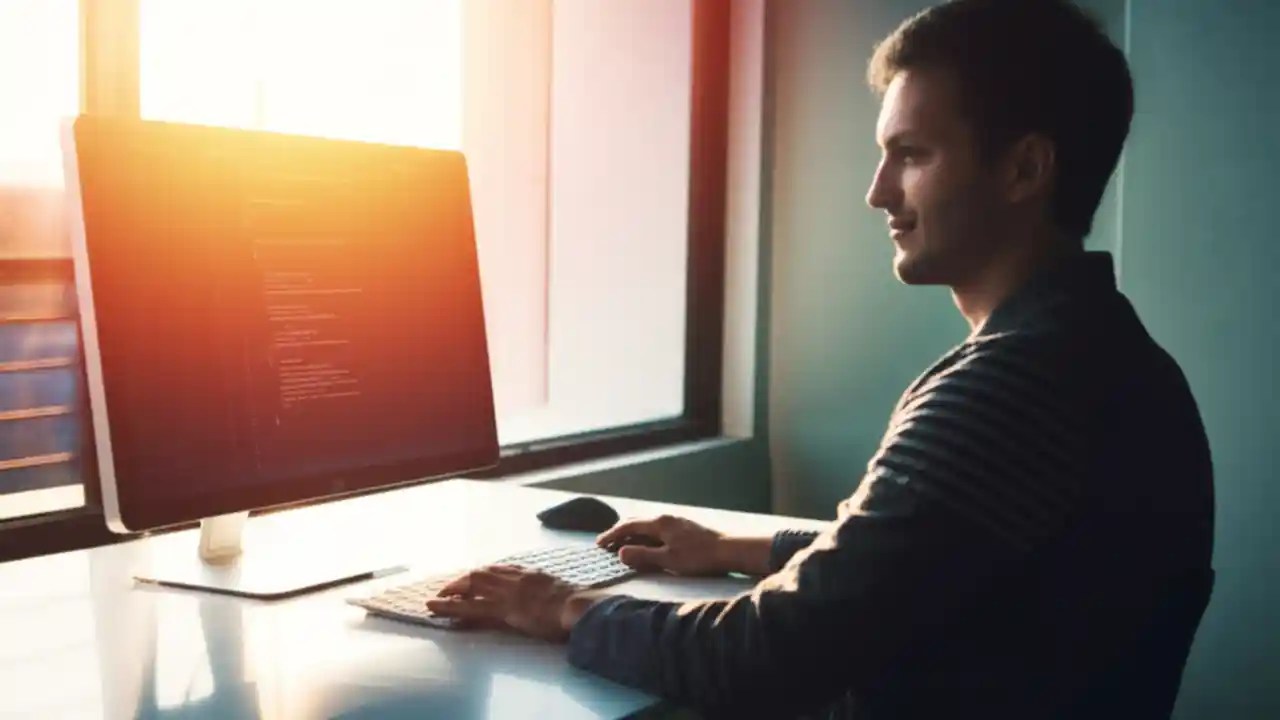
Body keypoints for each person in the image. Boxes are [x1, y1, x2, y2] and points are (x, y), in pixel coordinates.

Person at [426, 0, 1216, 717]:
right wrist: (737, 548)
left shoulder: (1014, 385)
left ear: (1024, 169)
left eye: (911, 154)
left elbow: (766, 658)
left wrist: (562, 608)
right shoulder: (1112, 356)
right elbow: (927, 564)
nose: (877, 192)